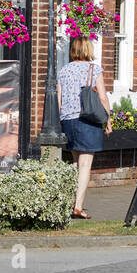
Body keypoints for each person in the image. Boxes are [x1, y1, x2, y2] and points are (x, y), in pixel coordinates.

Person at [56, 36, 111, 220]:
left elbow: (59, 100)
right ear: (88, 49)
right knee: (85, 165)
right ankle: (77, 207)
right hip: (87, 121)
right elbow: (102, 98)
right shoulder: (94, 69)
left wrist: (60, 121)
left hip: (68, 121)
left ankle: (70, 202)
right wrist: (108, 120)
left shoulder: (63, 71)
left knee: (75, 163)